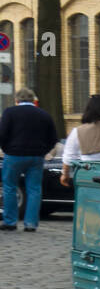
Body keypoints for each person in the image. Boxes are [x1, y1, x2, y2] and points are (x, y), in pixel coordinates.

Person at [0, 86, 58, 231]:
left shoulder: (9, 112)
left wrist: (6, 149)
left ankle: (10, 221)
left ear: (16, 100)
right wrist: (43, 151)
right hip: (36, 157)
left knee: (9, 187)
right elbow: (53, 138)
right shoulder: (44, 115)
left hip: (14, 155)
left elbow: (2, 134)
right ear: (34, 100)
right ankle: (31, 223)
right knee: (34, 189)